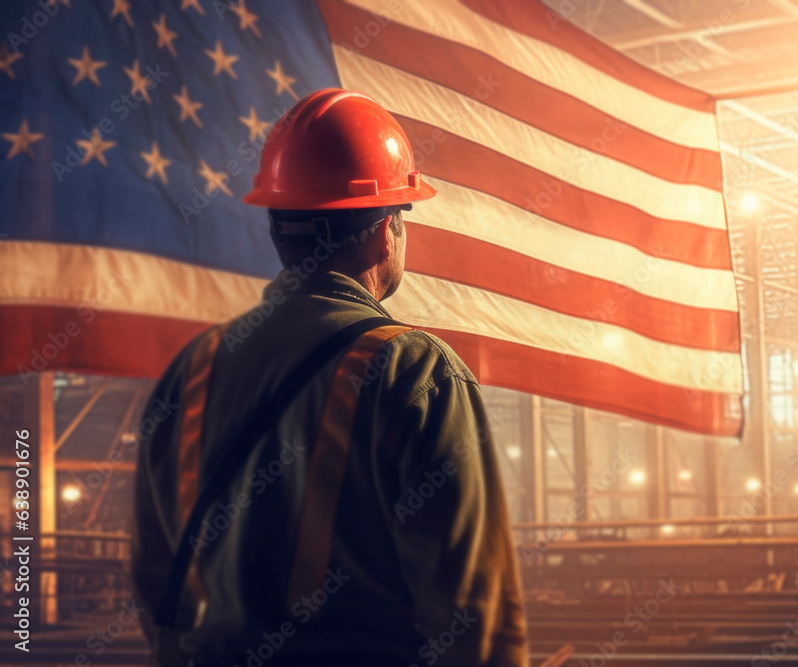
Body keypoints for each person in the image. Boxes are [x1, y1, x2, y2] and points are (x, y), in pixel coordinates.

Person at [131, 88, 527, 666]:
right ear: (385, 228)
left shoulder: (192, 370)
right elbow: (474, 617)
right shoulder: (414, 370)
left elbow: (156, 585)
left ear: (276, 228)